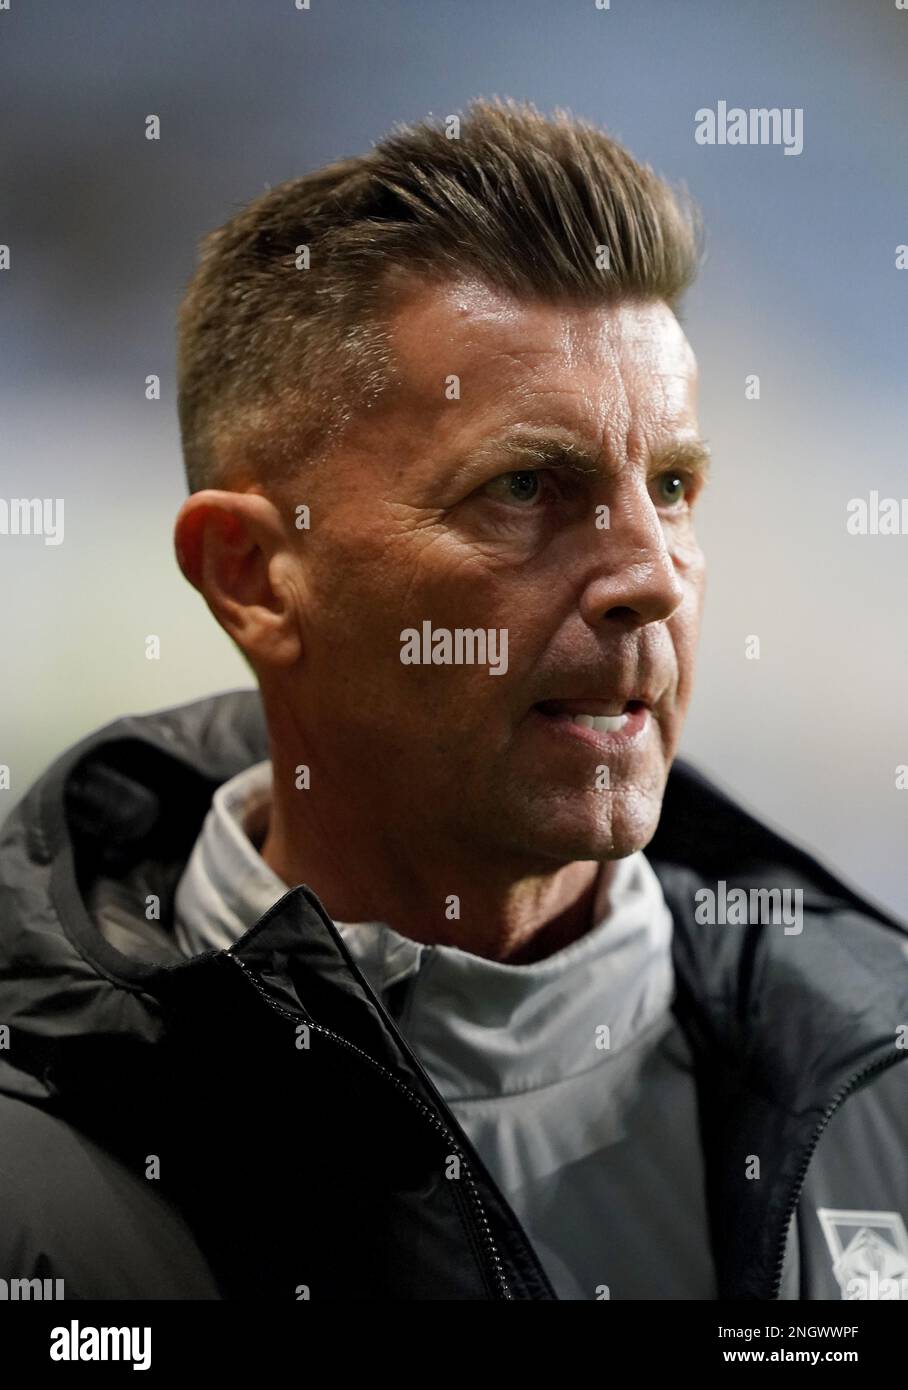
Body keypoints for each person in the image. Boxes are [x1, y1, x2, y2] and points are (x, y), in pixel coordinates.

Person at [1, 99, 906, 1302]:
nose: (651, 577)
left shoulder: (876, 1083)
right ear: (254, 577)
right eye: (526, 485)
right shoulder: (40, 1183)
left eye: (674, 485)